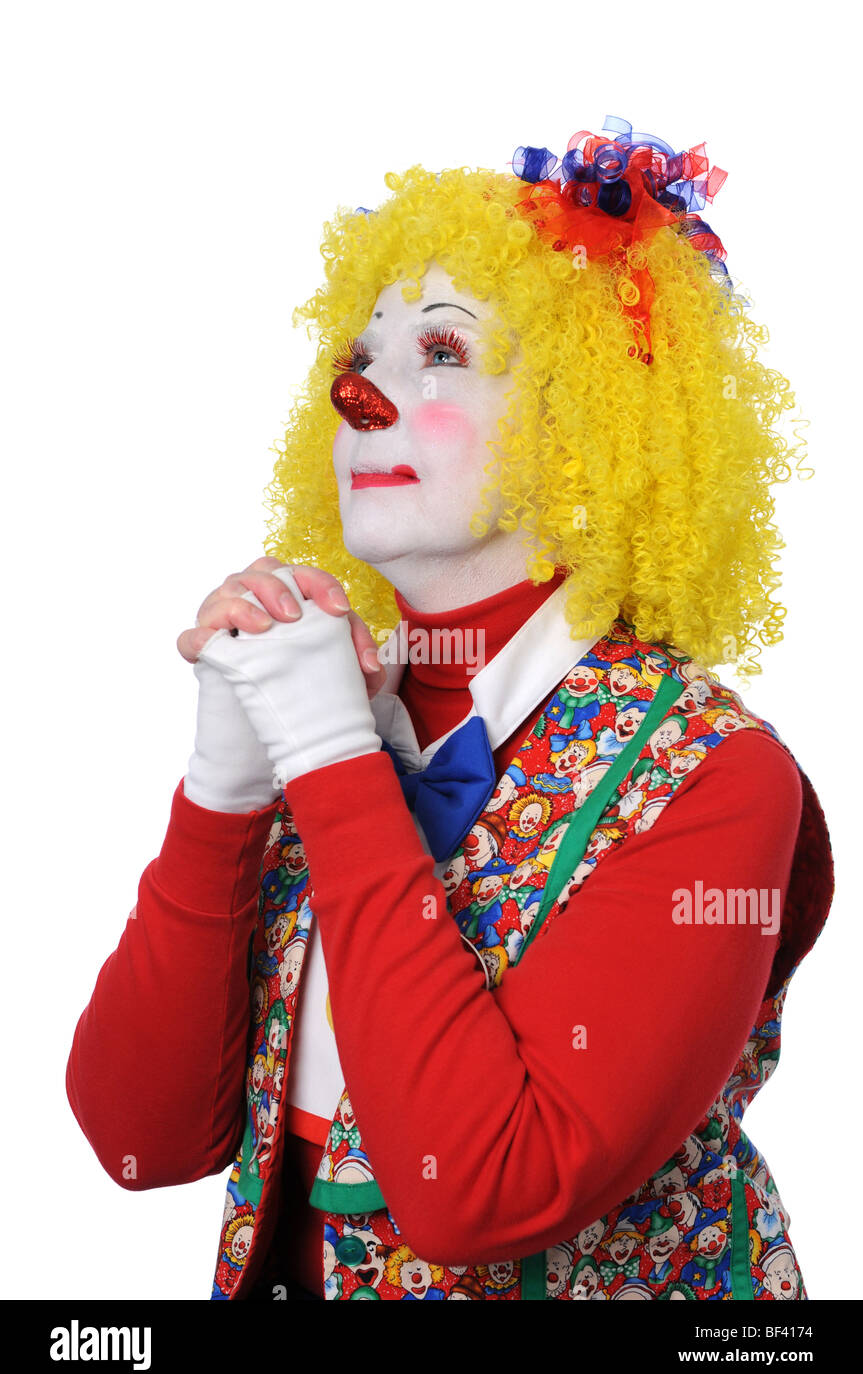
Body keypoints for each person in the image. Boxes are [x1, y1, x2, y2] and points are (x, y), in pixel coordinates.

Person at [66, 117, 834, 1302]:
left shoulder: (711, 778)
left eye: (440, 350)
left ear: (588, 426)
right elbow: (139, 1139)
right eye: (361, 357)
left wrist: (326, 757)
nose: (358, 391)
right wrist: (222, 792)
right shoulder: (335, 699)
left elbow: (478, 1190)